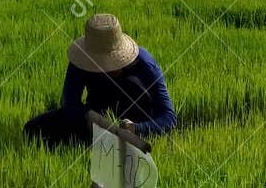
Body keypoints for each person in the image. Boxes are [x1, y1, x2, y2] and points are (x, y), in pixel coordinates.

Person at [23, 13, 176, 148]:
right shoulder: (80, 61)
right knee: (32, 129)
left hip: (133, 117)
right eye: (98, 63)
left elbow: (168, 117)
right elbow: (70, 103)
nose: (104, 69)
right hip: (96, 115)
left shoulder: (145, 64)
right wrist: (92, 118)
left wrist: (136, 128)